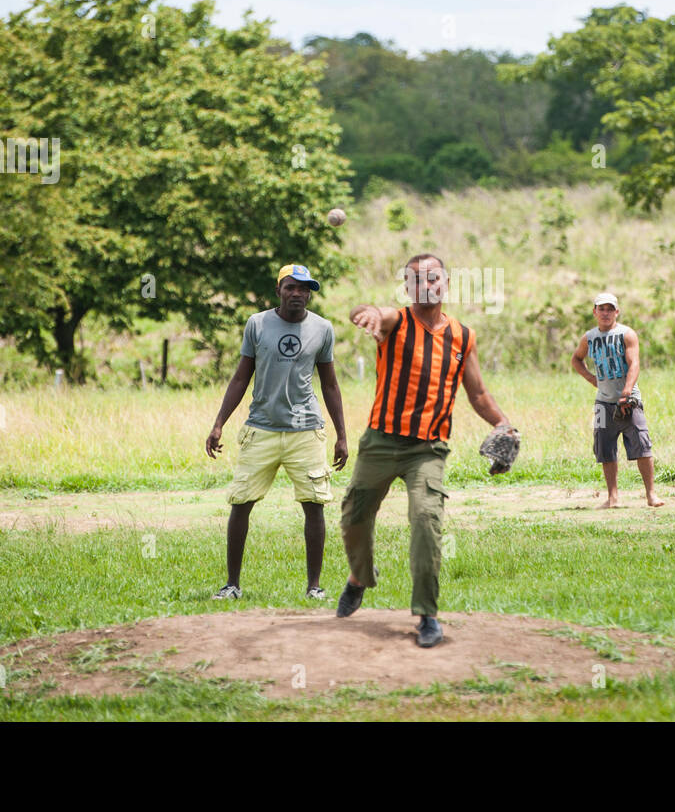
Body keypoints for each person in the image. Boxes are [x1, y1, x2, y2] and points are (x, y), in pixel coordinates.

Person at [336, 253, 512, 648]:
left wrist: (502, 423)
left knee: (426, 520)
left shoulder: (462, 337)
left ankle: (427, 615)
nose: (426, 285)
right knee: (354, 517)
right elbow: (370, 312)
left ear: (446, 283)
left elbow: (478, 393)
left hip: (428, 449)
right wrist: (364, 313)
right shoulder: (396, 322)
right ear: (407, 287)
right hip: (380, 441)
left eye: (433, 278)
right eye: (416, 280)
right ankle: (360, 577)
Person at [205, 264, 348, 600]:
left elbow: (329, 383)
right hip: (262, 428)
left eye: (304, 288)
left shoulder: (322, 329)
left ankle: (314, 587)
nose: (297, 294)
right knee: (241, 502)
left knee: (314, 505)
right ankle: (232, 585)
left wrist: (342, 434)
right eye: (290, 287)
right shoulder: (257, 324)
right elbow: (241, 377)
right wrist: (218, 423)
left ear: (310, 293)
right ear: (278, 291)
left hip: (306, 431)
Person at [571, 291, 664, 509]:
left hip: (629, 400)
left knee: (642, 445)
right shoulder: (589, 337)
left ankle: (651, 494)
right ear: (594, 312)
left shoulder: (626, 334)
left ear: (617, 312)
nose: (605, 313)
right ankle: (612, 497)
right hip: (603, 403)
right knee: (605, 448)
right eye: (601, 309)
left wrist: (627, 391)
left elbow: (634, 364)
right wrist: (591, 378)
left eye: (610, 309)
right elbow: (576, 359)